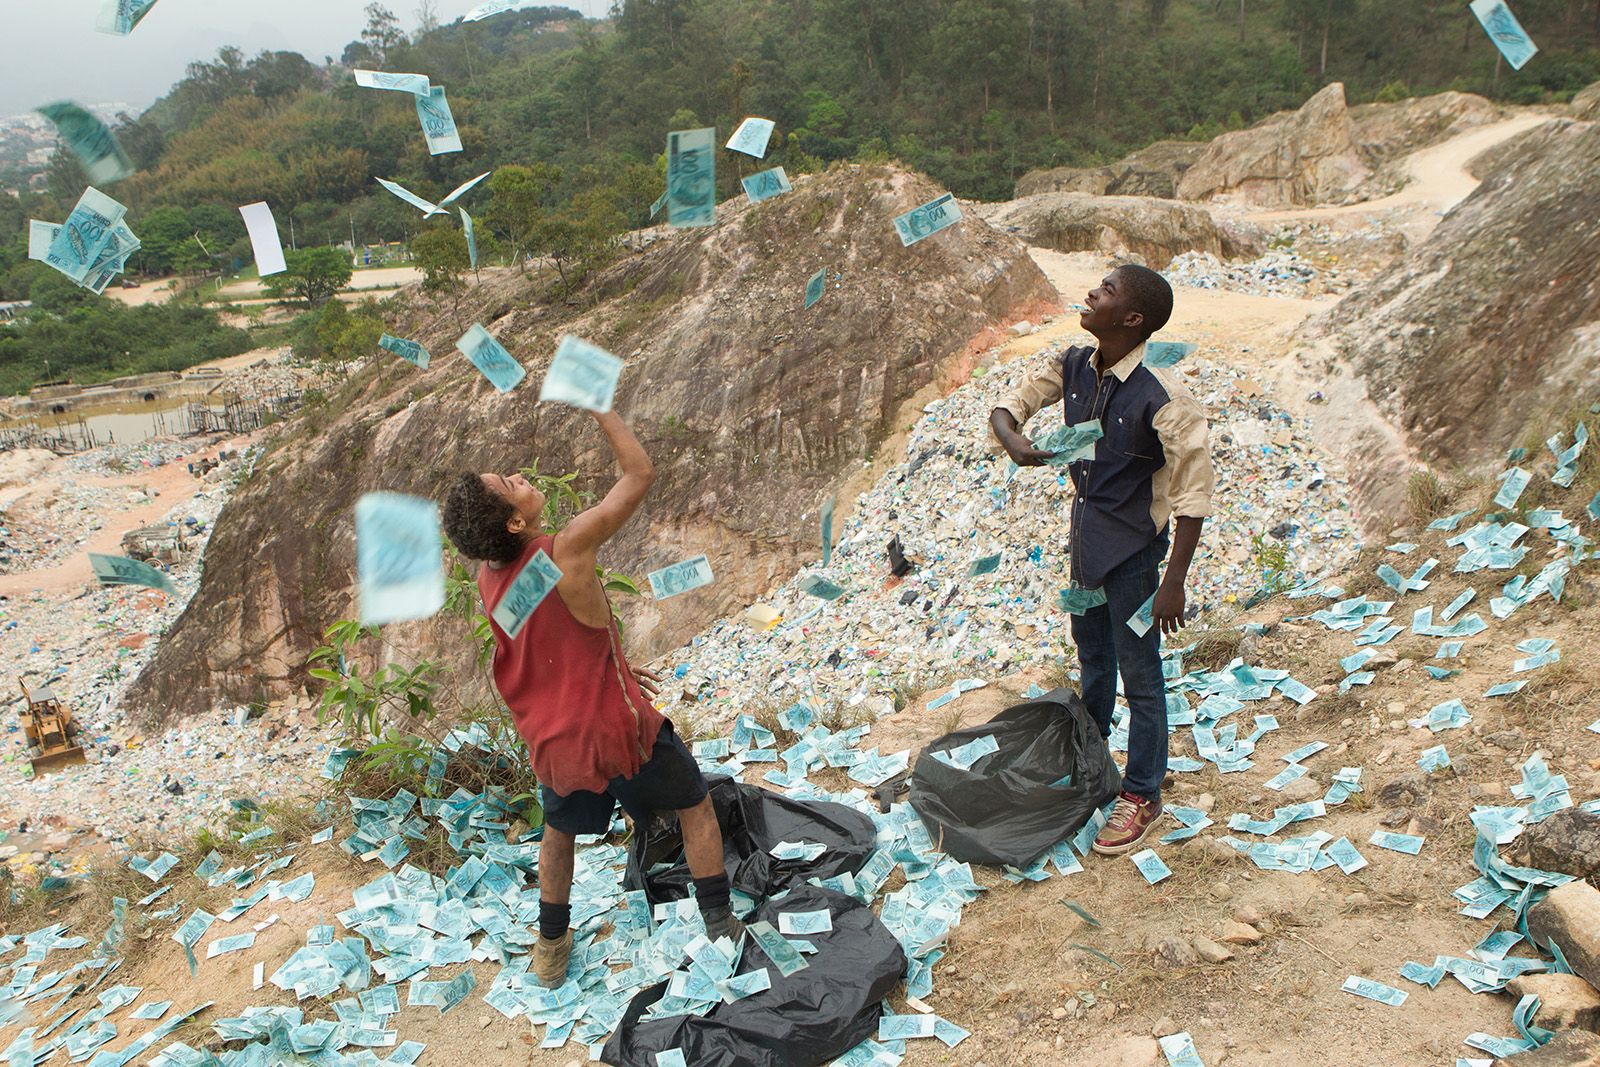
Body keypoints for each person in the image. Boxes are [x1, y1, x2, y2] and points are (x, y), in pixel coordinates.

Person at [441, 409, 741, 988]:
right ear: (510, 523)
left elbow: (552, 639)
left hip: (556, 745)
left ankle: (550, 946)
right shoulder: (565, 550)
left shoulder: (490, 576)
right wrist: (602, 407)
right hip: (615, 731)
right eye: (510, 485)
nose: (520, 477)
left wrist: (613, 664)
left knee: (559, 834)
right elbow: (639, 475)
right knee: (695, 804)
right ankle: (719, 920)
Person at [989, 265, 1215, 856]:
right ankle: (1091, 767)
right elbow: (1006, 411)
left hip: (1136, 557)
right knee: (1093, 661)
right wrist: (1014, 442)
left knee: (1140, 673)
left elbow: (1193, 499)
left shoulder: (1165, 397)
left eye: (1107, 291)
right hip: (1085, 548)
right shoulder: (1071, 366)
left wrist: (1174, 585)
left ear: (1133, 319)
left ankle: (1142, 792)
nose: (1091, 293)